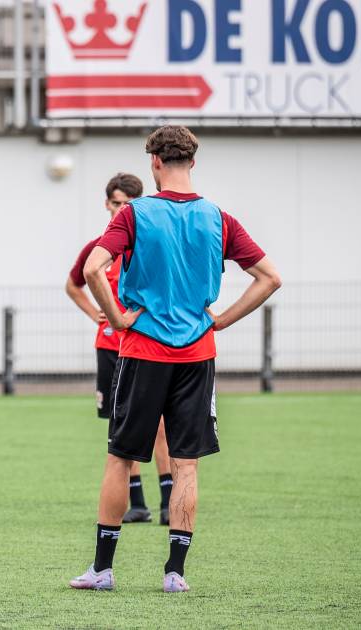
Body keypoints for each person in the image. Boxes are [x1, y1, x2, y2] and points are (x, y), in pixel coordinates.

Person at [68, 126, 281, 593]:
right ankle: (174, 574)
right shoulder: (219, 218)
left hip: (143, 351)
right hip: (198, 356)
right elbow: (269, 278)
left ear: (155, 164)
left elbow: (90, 270)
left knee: (121, 458)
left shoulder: (136, 215)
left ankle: (102, 570)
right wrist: (220, 320)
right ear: (193, 163)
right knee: (186, 464)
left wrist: (119, 320)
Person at [65, 172, 173, 525]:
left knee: (157, 424)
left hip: (143, 347)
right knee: (121, 425)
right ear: (106, 204)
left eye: (127, 204)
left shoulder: (145, 245)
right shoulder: (98, 247)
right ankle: (136, 503)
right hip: (110, 349)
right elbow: (73, 284)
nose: (119, 210)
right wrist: (96, 313)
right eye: (115, 203)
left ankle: (168, 500)